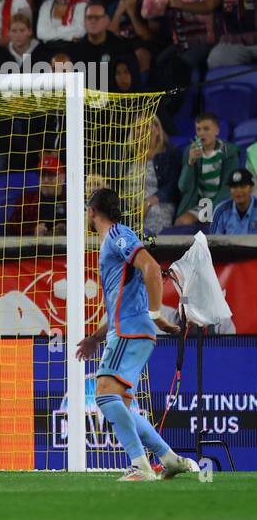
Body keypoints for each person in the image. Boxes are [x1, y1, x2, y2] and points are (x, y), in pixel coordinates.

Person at [74, 187, 195, 482]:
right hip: (127, 331)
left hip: (131, 331)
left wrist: (157, 317)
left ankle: (141, 466)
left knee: (103, 395)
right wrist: (96, 337)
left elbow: (152, 269)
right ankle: (170, 459)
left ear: (92, 212)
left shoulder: (117, 236)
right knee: (121, 404)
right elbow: (121, 302)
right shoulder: (113, 240)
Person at [176, 112, 243, 226]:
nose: (201, 133)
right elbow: (183, 188)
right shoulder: (190, 151)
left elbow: (228, 188)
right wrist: (190, 163)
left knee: (218, 224)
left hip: (224, 202)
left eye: (206, 129)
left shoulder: (229, 151)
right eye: (198, 129)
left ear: (217, 130)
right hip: (200, 205)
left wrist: (211, 212)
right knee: (181, 222)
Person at [7, 152, 67, 236]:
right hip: (34, 247)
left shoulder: (72, 200)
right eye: (42, 175)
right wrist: (33, 231)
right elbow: (12, 228)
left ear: (62, 178)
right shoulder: (26, 200)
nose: (45, 180)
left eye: (51, 175)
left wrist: (67, 229)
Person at [209, 168, 257, 236]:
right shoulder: (220, 211)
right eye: (234, 187)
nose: (238, 191)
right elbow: (213, 242)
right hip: (227, 247)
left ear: (251, 188)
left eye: (243, 186)